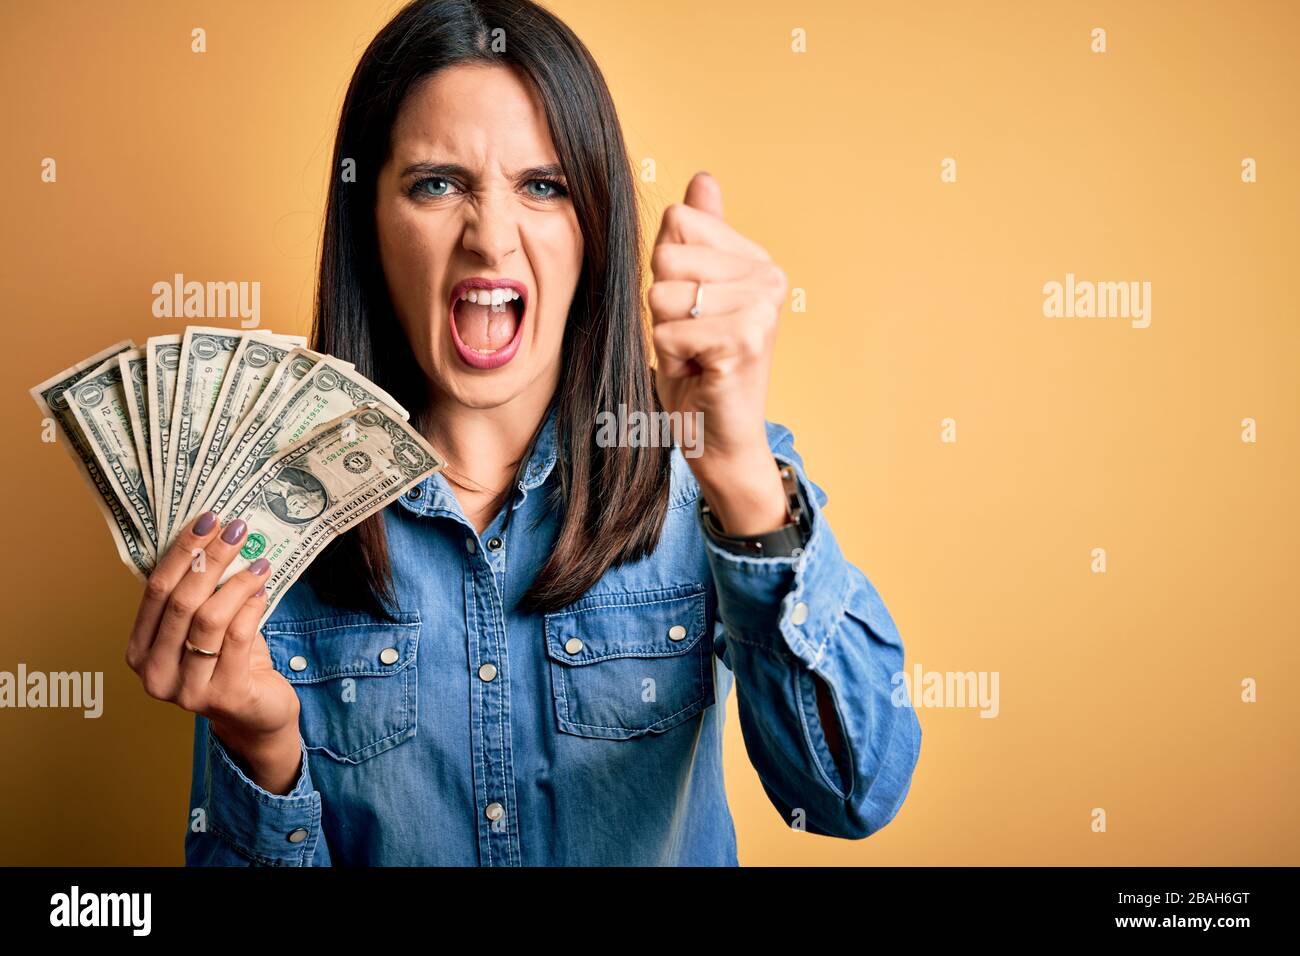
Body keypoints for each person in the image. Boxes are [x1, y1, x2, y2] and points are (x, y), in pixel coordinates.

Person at [125, 0, 922, 866]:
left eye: (543, 187)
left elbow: (853, 793)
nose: (490, 238)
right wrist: (264, 753)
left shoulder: (708, 481)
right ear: (370, 224)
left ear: (594, 227)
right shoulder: (268, 531)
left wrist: (737, 470)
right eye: (437, 184)